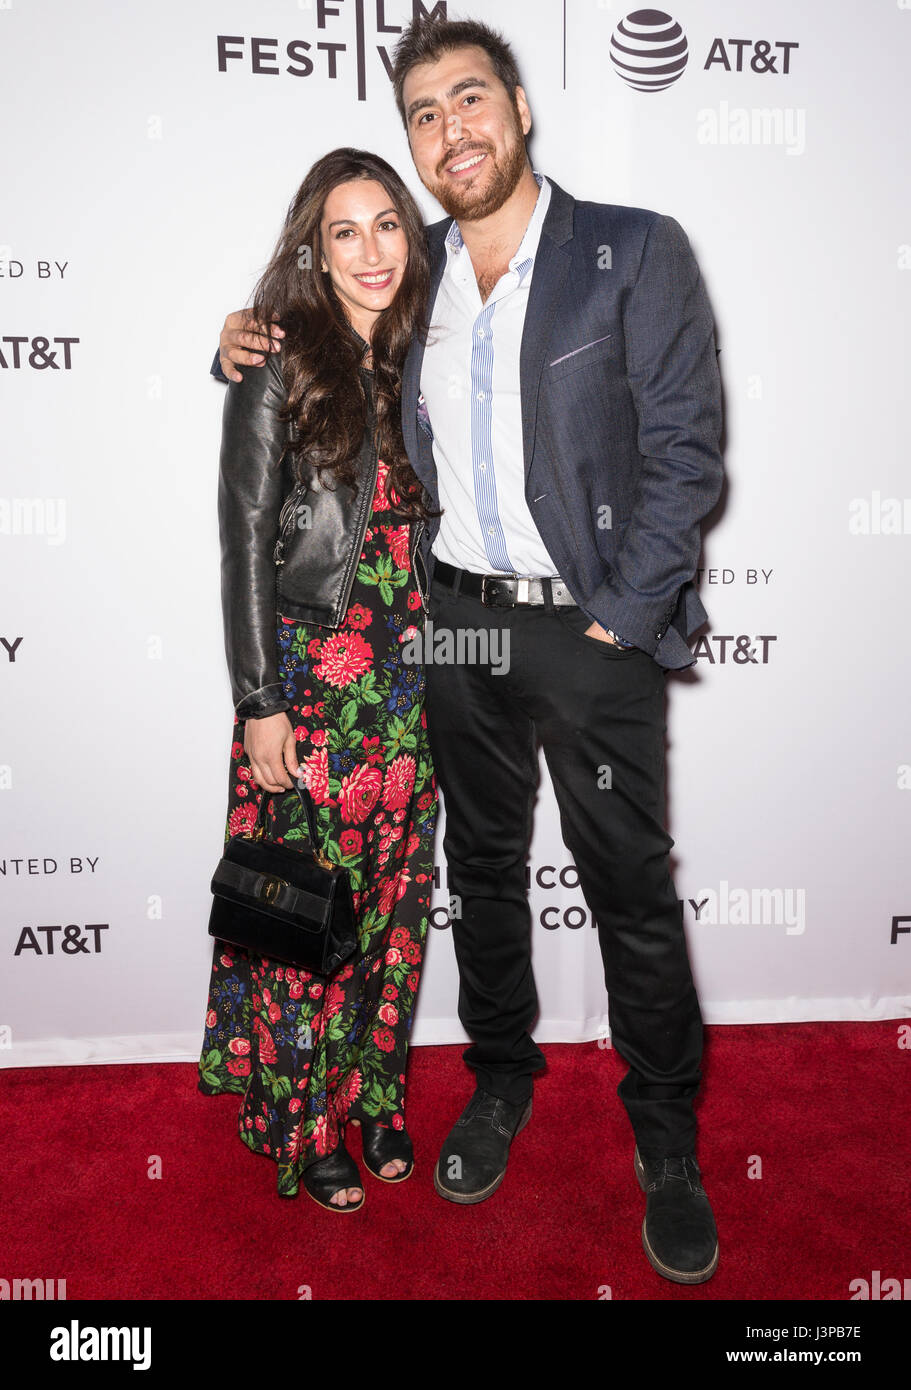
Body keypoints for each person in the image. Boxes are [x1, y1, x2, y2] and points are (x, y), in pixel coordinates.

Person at [215, 17, 724, 1283]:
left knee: (629, 888)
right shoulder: (417, 266)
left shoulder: (630, 249)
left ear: (518, 108)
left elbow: (684, 449)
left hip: (590, 624)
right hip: (451, 621)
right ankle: (498, 1081)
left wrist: (624, 605)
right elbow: (311, 347)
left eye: (470, 99)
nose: (452, 130)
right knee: (484, 873)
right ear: (411, 145)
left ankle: (665, 1136)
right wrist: (236, 340)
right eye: (425, 115)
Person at [199, 147, 438, 1212]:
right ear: (315, 245)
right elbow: (246, 534)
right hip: (313, 683)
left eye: (387, 223)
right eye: (346, 230)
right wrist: (258, 701)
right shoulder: (277, 357)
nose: (371, 249)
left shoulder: (436, 350)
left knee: (396, 906)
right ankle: (308, 1117)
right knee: (311, 913)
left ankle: (377, 1091)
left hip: (421, 685)